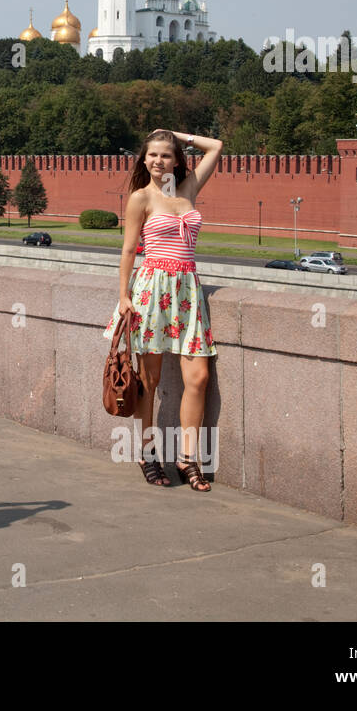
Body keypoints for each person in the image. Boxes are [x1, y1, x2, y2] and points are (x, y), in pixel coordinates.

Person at [102, 128, 223, 492]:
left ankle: (187, 458)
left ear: (177, 159)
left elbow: (216, 146)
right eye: (152, 155)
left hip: (187, 292)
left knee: (198, 378)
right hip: (152, 291)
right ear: (143, 159)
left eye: (166, 155)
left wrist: (177, 133)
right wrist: (123, 296)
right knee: (149, 382)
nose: (158, 161)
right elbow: (127, 251)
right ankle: (147, 452)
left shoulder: (188, 189)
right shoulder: (141, 198)